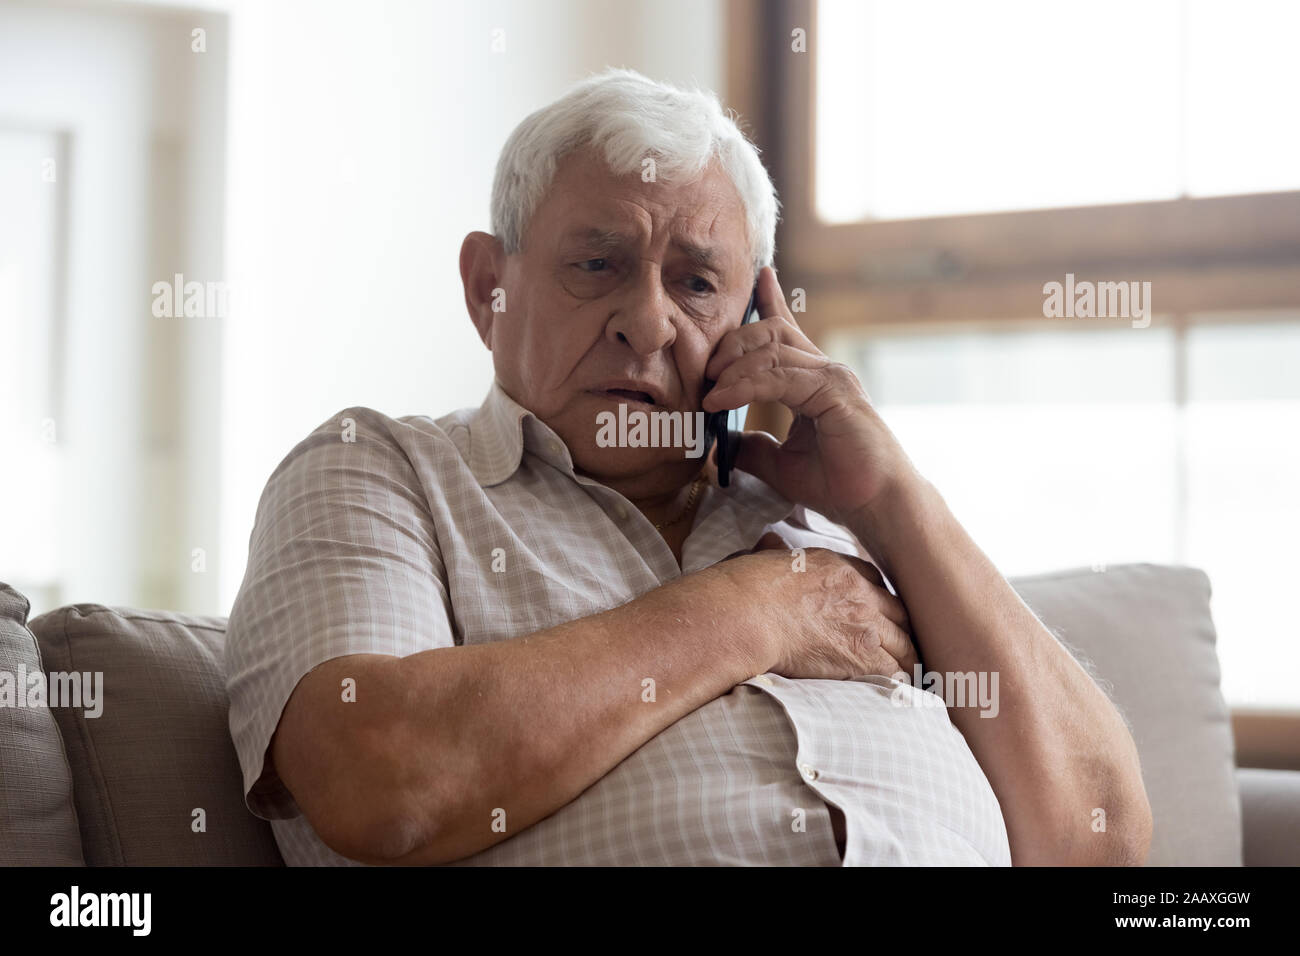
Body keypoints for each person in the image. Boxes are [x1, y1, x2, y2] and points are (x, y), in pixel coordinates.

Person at [225, 68, 1151, 866]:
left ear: (759, 316)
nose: (650, 321)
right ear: (487, 289)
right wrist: (767, 609)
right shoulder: (382, 471)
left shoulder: (838, 522)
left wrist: (896, 500)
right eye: (598, 263)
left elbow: (1096, 840)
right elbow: (380, 776)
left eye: (698, 282)